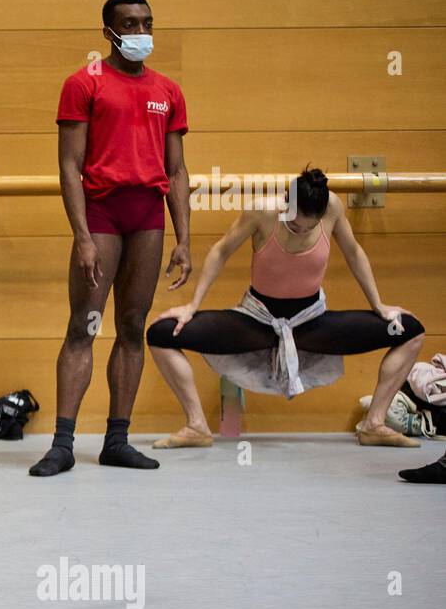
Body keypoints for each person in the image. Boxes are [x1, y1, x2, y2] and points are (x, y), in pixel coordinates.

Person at [30, 0, 192, 477]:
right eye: (130, 23)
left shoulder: (169, 90)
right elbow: (69, 164)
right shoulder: (83, 84)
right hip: (101, 213)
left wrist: (185, 239)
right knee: (84, 324)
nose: (140, 31)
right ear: (109, 32)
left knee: (132, 326)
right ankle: (62, 444)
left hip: (147, 217)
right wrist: (81, 235)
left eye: (146, 22)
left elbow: (178, 171)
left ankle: (117, 439)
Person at [146, 167, 426, 448]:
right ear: (285, 202)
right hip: (256, 320)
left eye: (308, 228)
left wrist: (378, 304)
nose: (300, 232)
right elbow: (221, 251)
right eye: (294, 225)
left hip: (311, 322)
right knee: (161, 333)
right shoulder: (262, 211)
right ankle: (196, 426)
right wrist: (192, 306)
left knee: (410, 330)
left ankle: (374, 424)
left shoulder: (332, 209)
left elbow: (353, 252)